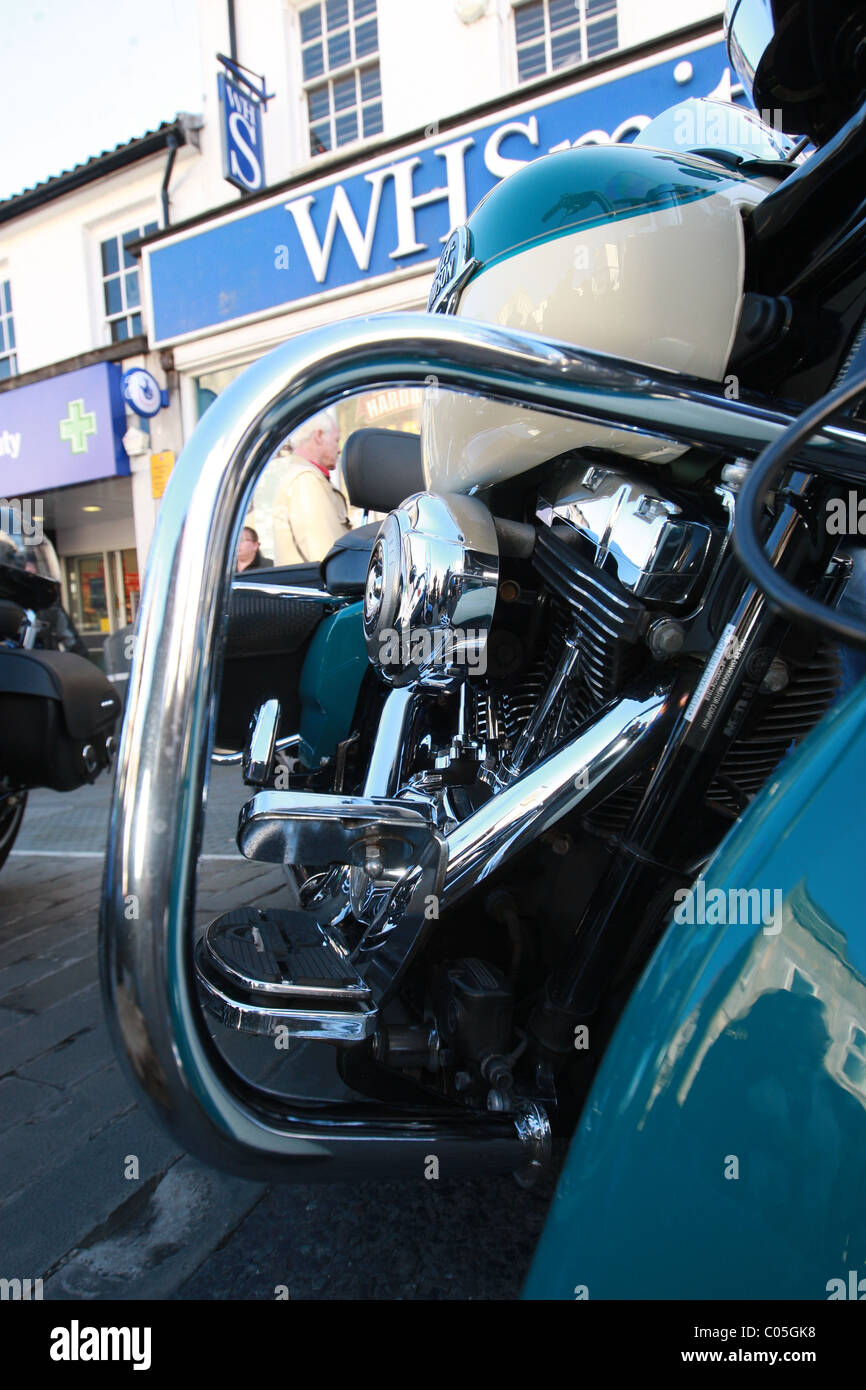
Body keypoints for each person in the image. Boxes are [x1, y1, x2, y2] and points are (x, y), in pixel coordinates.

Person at [272, 410, 350, 564]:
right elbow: (328, 561)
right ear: (319, 436)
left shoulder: (306, 478)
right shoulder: (306, 481)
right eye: (336, 440)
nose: (339, 449)